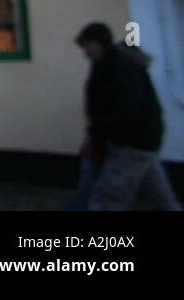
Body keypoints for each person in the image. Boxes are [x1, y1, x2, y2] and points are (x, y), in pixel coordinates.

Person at [74, 22, 180, 210]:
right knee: (161, 199)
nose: (85, 52)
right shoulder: (110, 64)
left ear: (96, 43)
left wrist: (100, 136)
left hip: (131, 144)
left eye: (86, 45)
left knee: (107, 198)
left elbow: (125, 110)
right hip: (143, 142)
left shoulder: (120, 67)